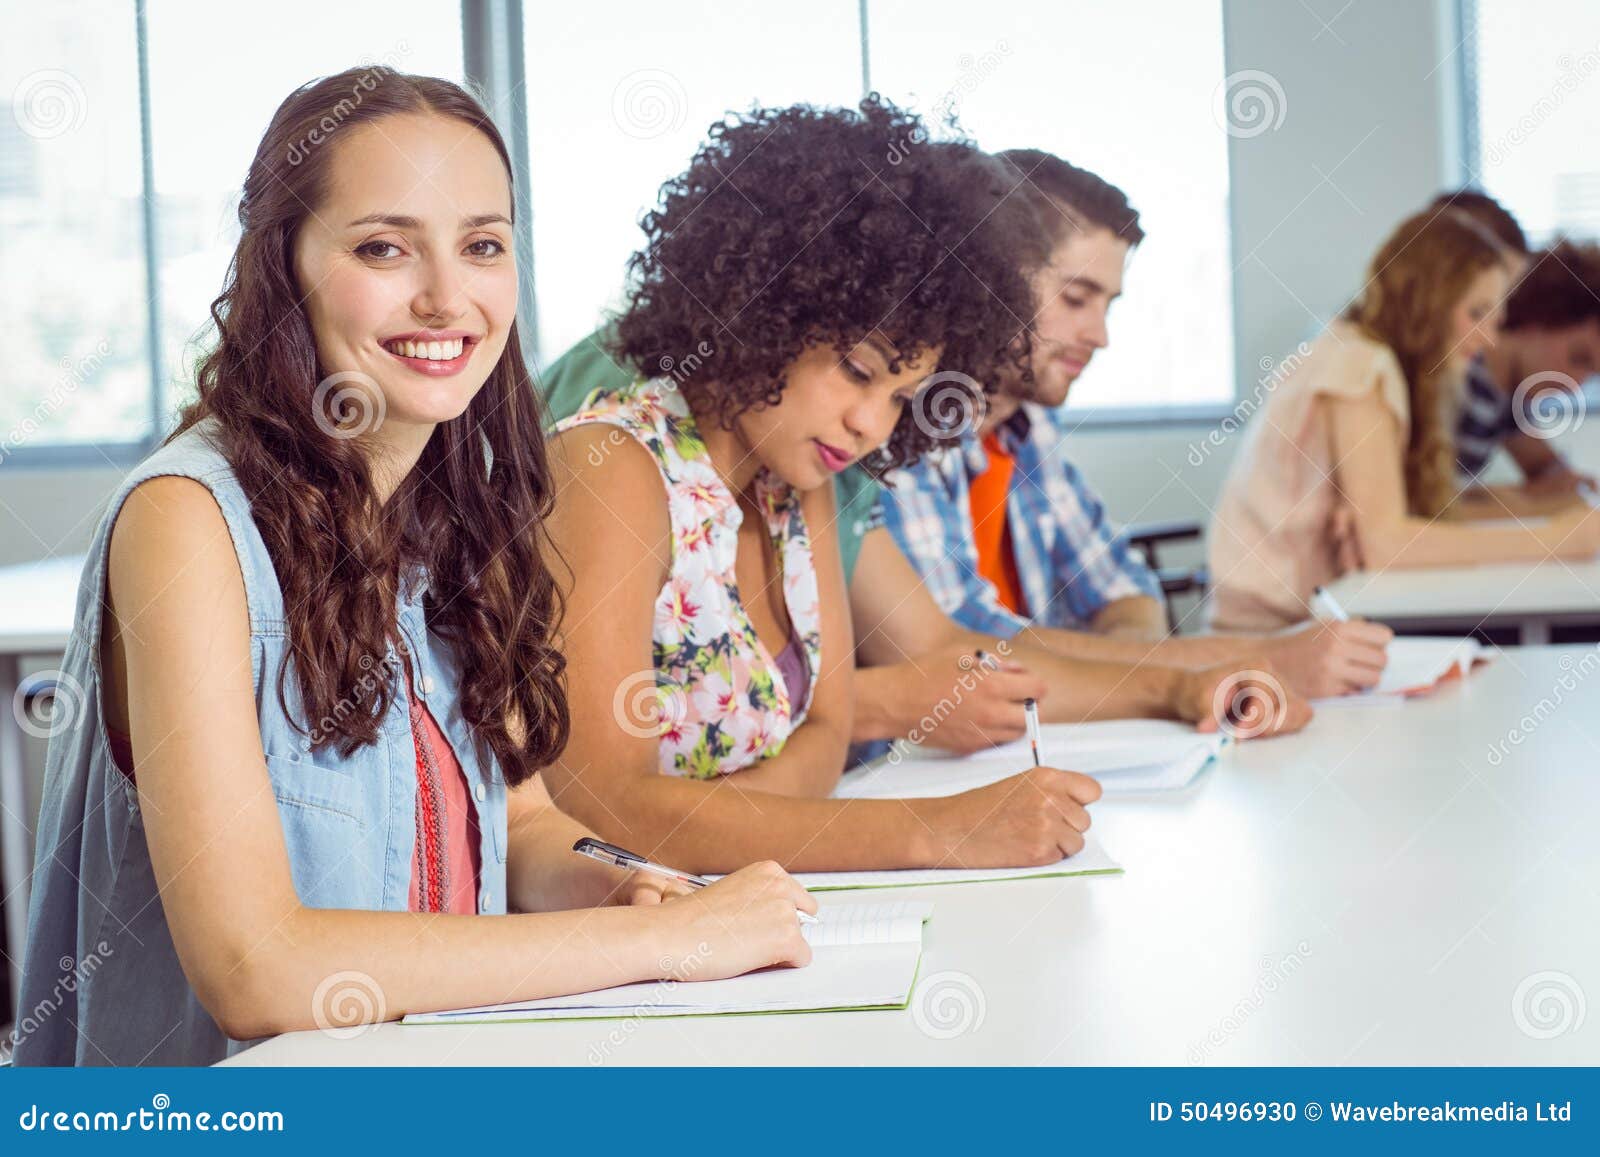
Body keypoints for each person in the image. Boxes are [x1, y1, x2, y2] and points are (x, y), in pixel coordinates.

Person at [14, 67, 812, 1068]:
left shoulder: (460, 513)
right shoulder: (187, 520)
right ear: (282, 268)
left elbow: (520, 821)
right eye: (383, 247)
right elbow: (254, 968)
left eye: (482, 245)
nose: (446, 296)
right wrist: (663, 940)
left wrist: (620, 881)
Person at [540, 99, 1300, 877]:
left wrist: (735, 825)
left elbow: (829, 734)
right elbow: (604, 810)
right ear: (764, 310)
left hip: (745, 903)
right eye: (859, 371)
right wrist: (933, 830)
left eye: (903, 397)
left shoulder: (798, 482)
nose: (873, 423)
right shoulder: (614, 469)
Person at [879, 149, 1392, 693]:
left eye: (1108, 306)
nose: (1100, 336)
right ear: (992, 280)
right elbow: (966, 640)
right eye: (1076, 299)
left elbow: (1121, 584)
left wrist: (1132, 667)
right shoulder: (900, 429)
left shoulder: (1028, 430)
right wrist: (1251, 659)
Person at [1209, 207, 1600, 631]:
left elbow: (1418, 515)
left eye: (1495, 318)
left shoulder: (1371, 361)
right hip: (1266, 632)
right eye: (1475, 313)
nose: (1488, 339)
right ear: (1431, 300)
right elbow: (1388, 544)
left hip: (1307, 620)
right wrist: (1558, 540)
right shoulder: (1359, 366)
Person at [1429, 190, 1598, 507]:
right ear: (1540, 317)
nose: (1575, 383)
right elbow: (1414, 506)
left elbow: (1547, 469)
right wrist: (1518, 498)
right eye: (1579, 358)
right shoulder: (1450, 363)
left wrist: (1563, 482)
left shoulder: (1508, 398)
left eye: (1591, 375)